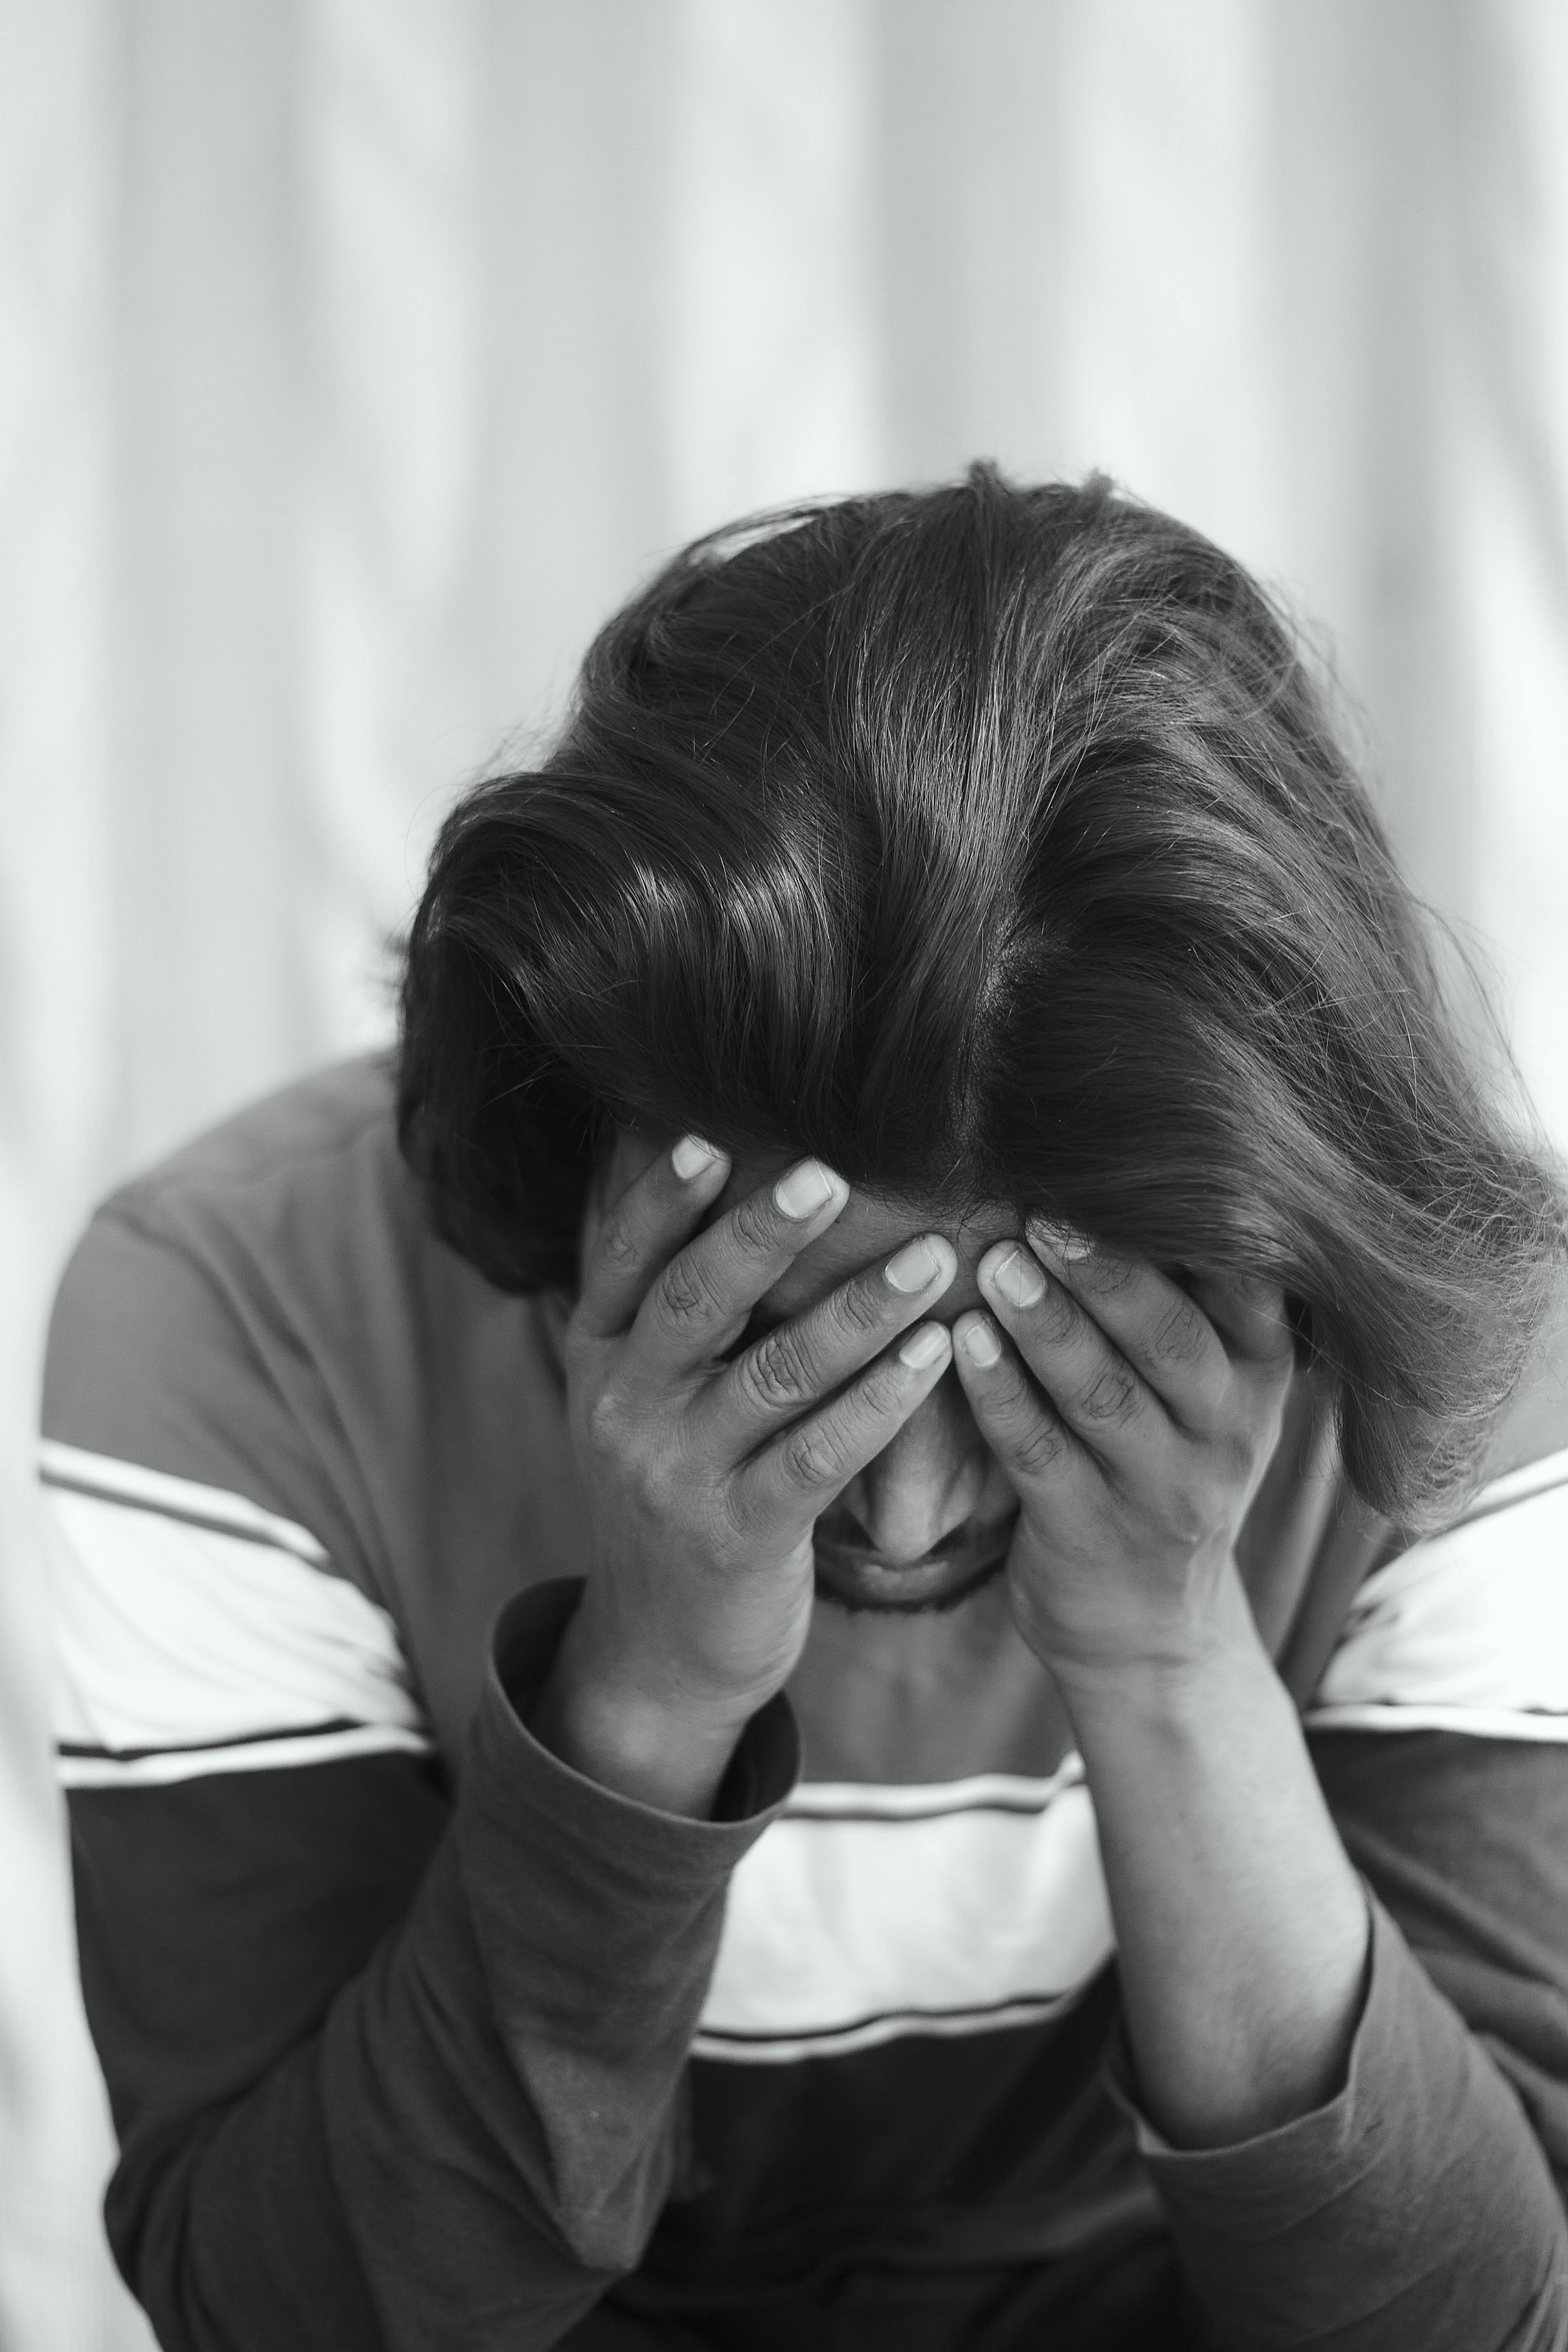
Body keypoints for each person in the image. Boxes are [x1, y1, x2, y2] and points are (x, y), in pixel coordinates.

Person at [46, 468, 1568, 2351]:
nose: (910, 1518)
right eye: (793, 1340)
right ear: (575, 1133)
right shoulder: (234, 1321)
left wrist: (1168, 1658)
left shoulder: (1459, 1324)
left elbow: (1482, 2320)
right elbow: (290, 2315)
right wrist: (645, 1697)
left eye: (1039, 1374)